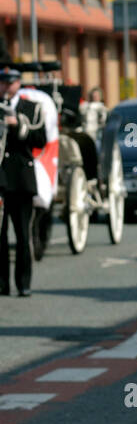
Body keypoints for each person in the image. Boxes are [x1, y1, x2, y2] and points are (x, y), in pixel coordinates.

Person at [0, 66, 46, 297]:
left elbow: (41, 139)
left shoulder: (31, 108)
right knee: (0, 235)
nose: (7, 87)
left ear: (18, 83)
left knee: (22, 235)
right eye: (3, 82)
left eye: (11, 82)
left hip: (21, 178)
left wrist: (18, 125)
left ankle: (23, 283)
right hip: (1, 179)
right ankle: (2, 284)